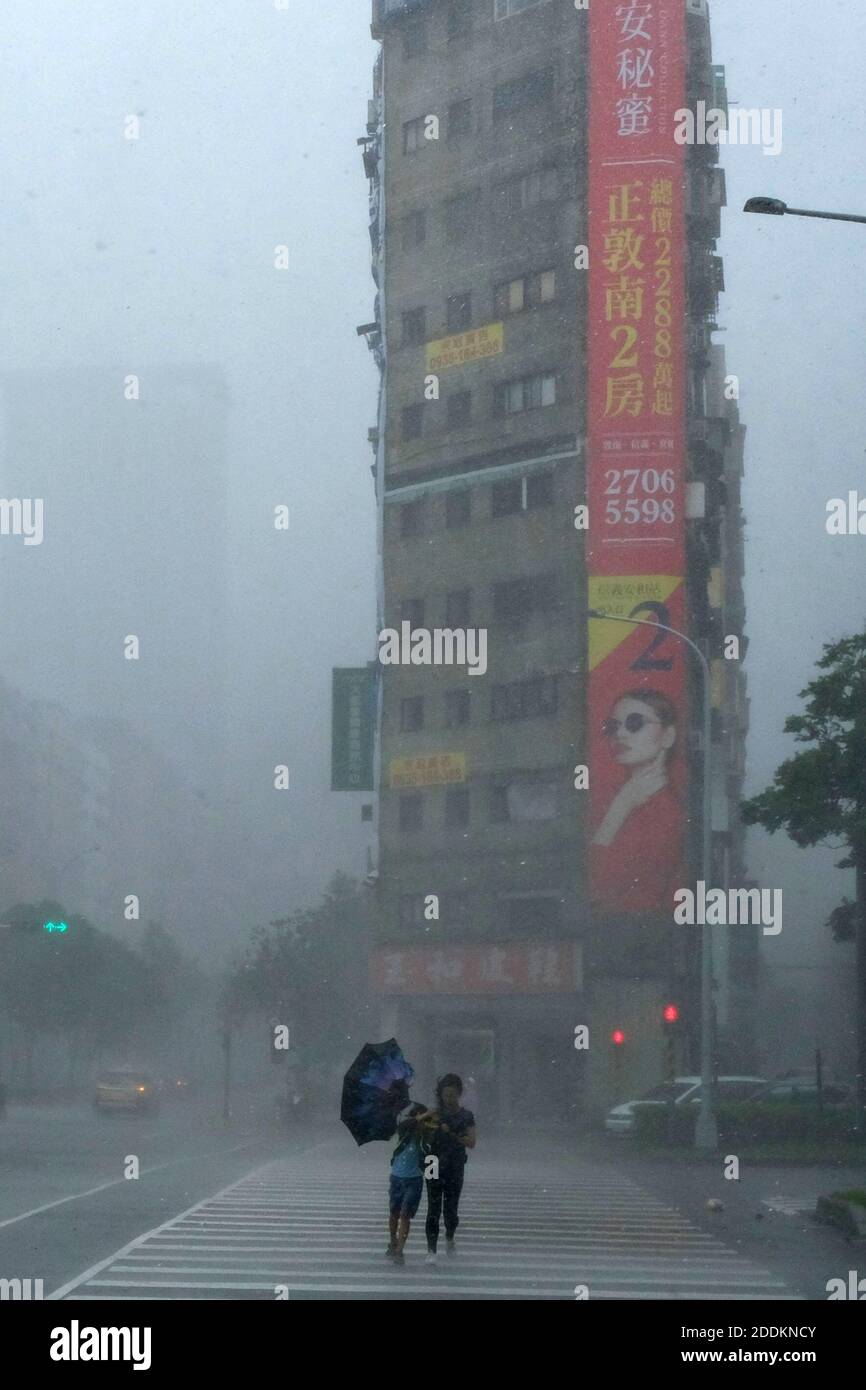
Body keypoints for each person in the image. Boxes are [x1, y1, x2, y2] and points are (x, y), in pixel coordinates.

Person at [590, 689, 686, 913]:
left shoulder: (668, 812)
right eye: (613, 726)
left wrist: (620, 806)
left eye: (635, 723)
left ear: (668, 736)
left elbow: (598, 887)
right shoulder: (614, 796)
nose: (620, 734)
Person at [425, 1074, 476, 1264]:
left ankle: (449, 1236)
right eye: (446, 1095)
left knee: (451, 1209)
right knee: (433, 1207)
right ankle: (431, 1250)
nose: (449, 1098)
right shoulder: (433, 1114)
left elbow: (471, 1142)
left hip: (455, 1163)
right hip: (432, 1162)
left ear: (459, 1094)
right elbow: (424, 1138)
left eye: (453, 1095)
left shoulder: (466, 1116)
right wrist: (426, 1129)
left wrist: (452, 1133)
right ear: (441, 1094)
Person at [386, 1100, 436, 1266]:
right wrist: (424, 1116)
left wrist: (432, 1181)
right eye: (422, 1119)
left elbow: (431, 1161)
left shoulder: (426, 1139)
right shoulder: (405, 1130)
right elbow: (406, 1124)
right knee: (394, 1213)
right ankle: (393, 1240)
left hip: (414, 1181)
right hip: (397, 1178)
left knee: (405, 1215)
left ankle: (400, 1250)